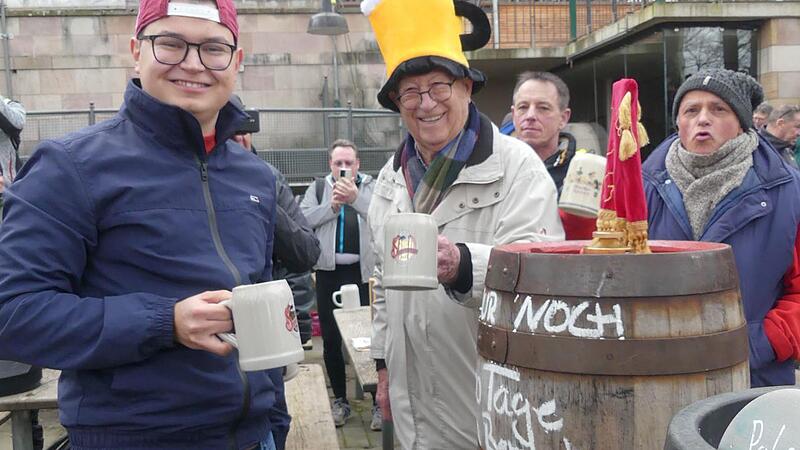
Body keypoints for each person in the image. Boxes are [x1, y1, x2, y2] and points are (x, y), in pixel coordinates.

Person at [0, 1, 292, 448]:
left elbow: (261, 311)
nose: (193, 64)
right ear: (136, 51)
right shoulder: (71, 167)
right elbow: (13, 313)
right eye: (171, 44)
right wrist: (165, 322)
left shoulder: (255, 177)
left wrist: (274, 423)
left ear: (237, 61)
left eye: (214, 48)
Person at [362, 0, 564, 447]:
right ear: (396, 103)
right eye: (410, 92)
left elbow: (542, 278)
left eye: (439, 86)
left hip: (491, 401)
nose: (426, 104)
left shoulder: (518, 169)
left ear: (467, 87)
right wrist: (383, 366)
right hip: (411, 405)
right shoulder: (390, 178)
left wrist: (463, 265)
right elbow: (382, 281)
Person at [643, 68, 800, 387]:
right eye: (691, 110)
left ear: (742, 122)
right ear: (678, 122)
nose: (703, 119)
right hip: (657, 378)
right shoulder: (642, 186)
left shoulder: (788, 191)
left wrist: (759, 344)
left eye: (718, 109)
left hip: (753, 381)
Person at [299, 138, 378, 429]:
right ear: (330, 164)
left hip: (363, 274)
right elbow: (302, 219)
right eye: (338, 163)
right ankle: (340, 401)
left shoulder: (371, 187)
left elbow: (384, 217)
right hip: (328, 273)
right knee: (330, 339)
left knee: (370, 338)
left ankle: (377, 402)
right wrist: (331, 206)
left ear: (358, 165)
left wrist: (355, 199)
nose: (343, 167)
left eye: (348, 163)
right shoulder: (319, 188)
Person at [508, 71, 595, 239]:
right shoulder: (493, 168)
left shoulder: (582, 176)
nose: (530, 116)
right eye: (523, 107)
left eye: (543, 108)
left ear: (563, 118)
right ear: (513, 115)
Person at [760, 104, 800, 168]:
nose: (799, 133)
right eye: (798, 127)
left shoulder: (786, 149)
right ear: (780, 123)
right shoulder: (757, 151)